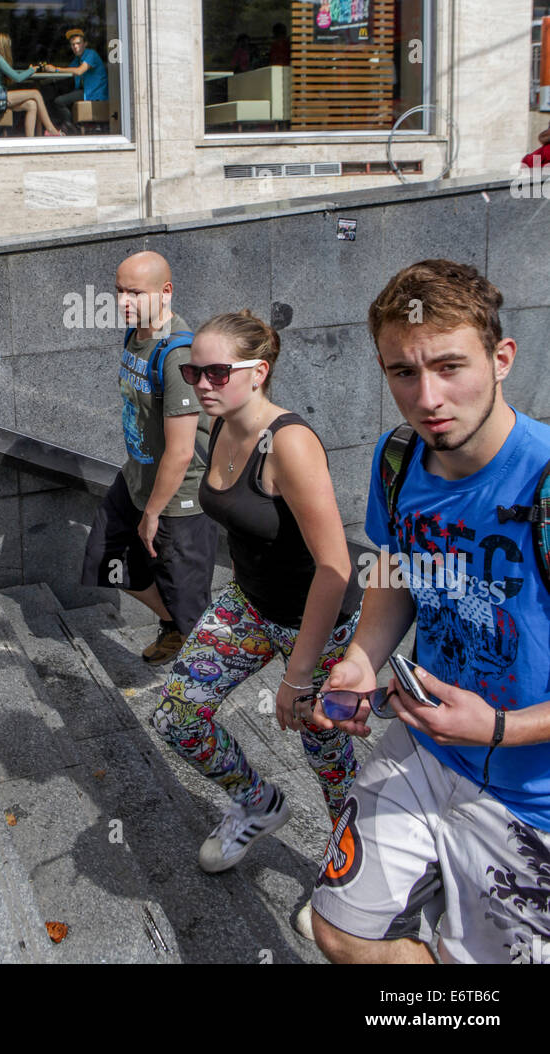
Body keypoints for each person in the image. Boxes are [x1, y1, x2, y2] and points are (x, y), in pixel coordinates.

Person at [310, 259, 550, 966]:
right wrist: (360, 658)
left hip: (532, 796)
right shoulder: (398, 459)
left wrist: (501, 728)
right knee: (343, 934)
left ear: (501, 358)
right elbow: (394, 569)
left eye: (451, 366)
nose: (428, 396)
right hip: (425, 745)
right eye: (403, 373)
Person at [151, 310, 361, 878]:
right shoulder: (219, 421)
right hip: (249, 603)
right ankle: (260, 803)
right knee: (177, 716)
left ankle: (354, 854)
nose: (201, 385)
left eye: (218, 372)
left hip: (314, 618)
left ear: (258, 371)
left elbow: (335, 566)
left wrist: (296, 676)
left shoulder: (288, 444)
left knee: (325, 749)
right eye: (194, 373)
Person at [81, 250, 219, 665]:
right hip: (136, 478)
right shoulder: (134, 335)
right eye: (119, 291)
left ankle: (200, 677)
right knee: (107, 561)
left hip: (178, 499)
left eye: (135, 293)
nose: (123, 301)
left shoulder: (178, 357)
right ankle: (176, 626)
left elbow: (180, 451)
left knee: (189, 601)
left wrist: (153, 512)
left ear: (165, 292)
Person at [0, 33, 63, 137]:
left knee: (31, 104)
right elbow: (17, 78)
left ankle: (29, 140)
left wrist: (28, 71)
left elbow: (13, 74)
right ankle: (51, 129)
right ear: (5, 45)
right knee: (35, 93)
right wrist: (31, 70)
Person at [44, 29, 109, 133]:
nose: (75, 46)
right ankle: (65, 127)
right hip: (86, 91)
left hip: (95, 93)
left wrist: (56, 69)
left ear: (85, 44)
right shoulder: (77, 59)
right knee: (53, 94)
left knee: (59, 101)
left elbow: (79, 71)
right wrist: (48, 77)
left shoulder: (91, 54)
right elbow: (67, 74)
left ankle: (71, 130)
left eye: (78, 43)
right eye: (72, 44)